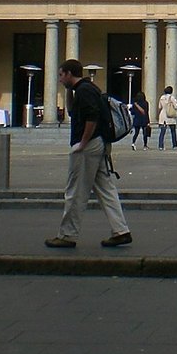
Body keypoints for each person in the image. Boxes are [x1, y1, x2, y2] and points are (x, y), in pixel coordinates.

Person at [45, 58, 131, 250]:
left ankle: (67, 235)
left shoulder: (84, 91)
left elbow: (91, 118)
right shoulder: (84, 89)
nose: (59, 79)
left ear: (68, 73)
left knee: (75, 191)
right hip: (98, 144)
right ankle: (121, 230)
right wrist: (68, 90)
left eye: (61, 75)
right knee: (106, 189)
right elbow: (72, 111)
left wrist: (82, 143)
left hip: (89, 146)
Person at [157, 84, 177, 149]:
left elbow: (159, 107)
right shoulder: (172, 98)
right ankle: (174, 145)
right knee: (173, 131)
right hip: (170, 116)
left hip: (163, 115)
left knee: (162, 132)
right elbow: (176, 106)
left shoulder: (161, 97)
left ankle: (161, 146)